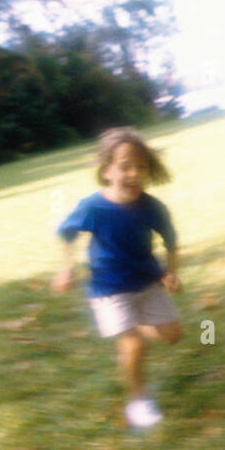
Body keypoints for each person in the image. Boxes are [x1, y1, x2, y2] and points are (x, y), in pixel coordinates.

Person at [52, 126, 183, 428]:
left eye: (141, 166)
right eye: (125, 166)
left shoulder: (152, 207)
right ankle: (138, 401)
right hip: (109, 289)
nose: (134, 173)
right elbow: (66, 235)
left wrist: (172, 273)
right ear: (107, 170)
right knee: (134, 346)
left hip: (148, 283)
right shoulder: (92, 208)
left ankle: (135, 328)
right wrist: (66, 269)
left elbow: (172, 243)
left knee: (173, 336)